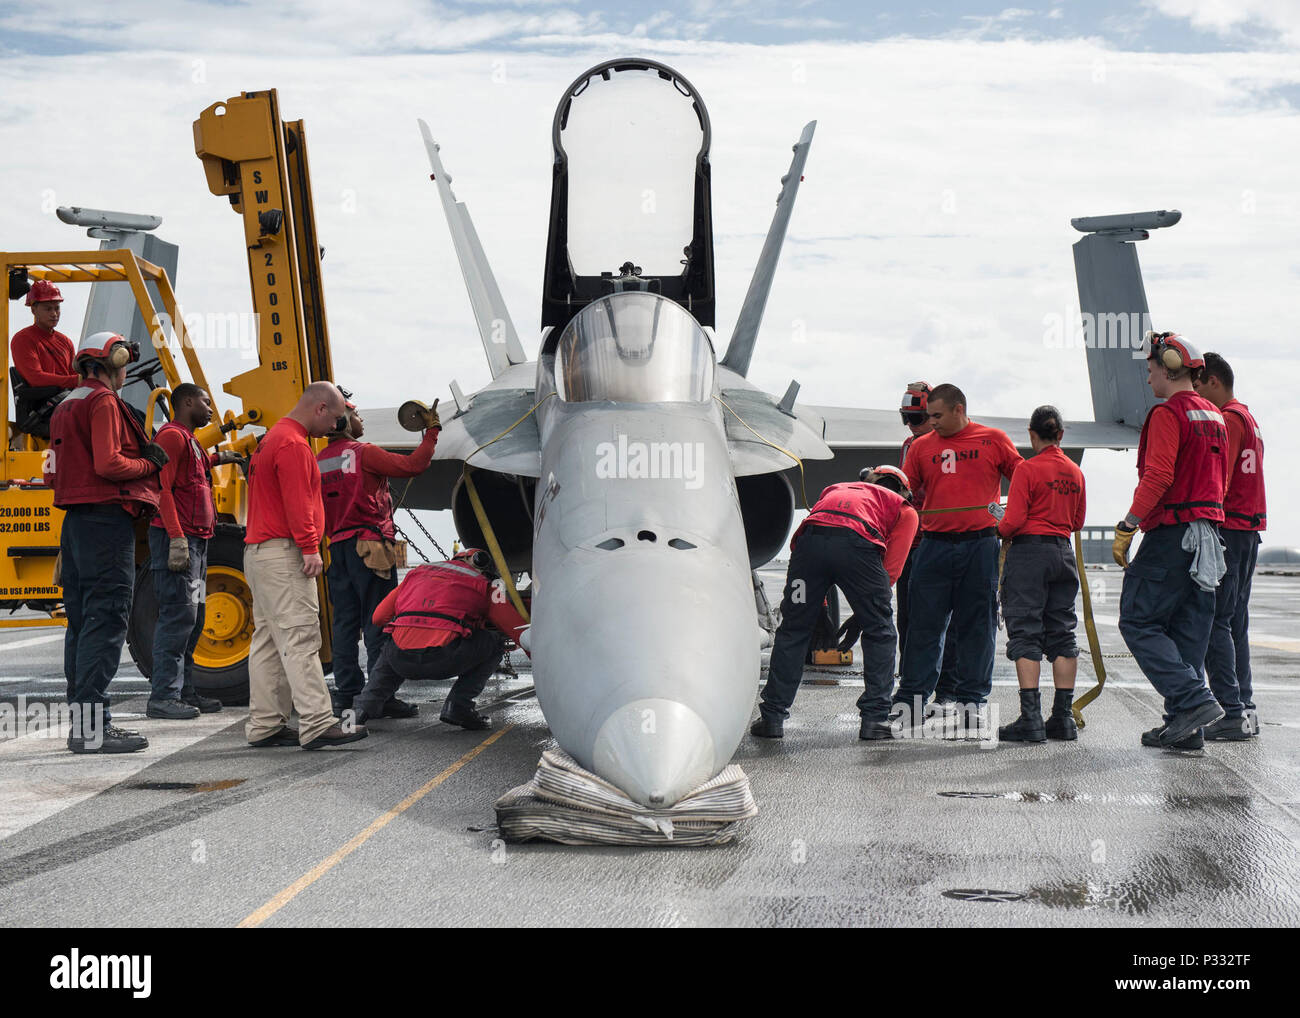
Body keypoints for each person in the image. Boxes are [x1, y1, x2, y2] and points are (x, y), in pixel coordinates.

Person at [46, 332, 167, 754]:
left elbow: (52, 472)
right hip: (105, 523)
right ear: (112, 360)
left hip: (77, 524)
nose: (126, 371)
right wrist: (148, 463)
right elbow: (110, 463)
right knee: (108, 618)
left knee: (82, 624)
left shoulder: (66, 404)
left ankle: (84, 725)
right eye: (123, 362)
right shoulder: (102, 401)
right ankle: (93, 729)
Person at [1113, 332, 1229, 750]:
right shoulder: (1215, 416)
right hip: (1209, 536)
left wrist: (1128, 525)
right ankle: (1186, 727)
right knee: (1188, 632)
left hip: (1172, 534)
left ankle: (1194, 701)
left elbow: (1158, 475)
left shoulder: (1167, 413)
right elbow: (1223, 480)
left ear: (1170, 366)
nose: (1148, 379)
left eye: (1150, 369)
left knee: (1138, 621)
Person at [244, 381, 367, 751]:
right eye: (334, 419)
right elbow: (297, 501)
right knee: (301, 636)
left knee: (268, 641)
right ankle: (317, 722)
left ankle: (265, 724)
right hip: (284, 553)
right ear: (320, 408)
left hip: (259, 552)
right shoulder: (295, 445)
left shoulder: (272, 438)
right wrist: (310, 548)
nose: (334, 427)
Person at [751, 469, 918, 741]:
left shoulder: (836, 487)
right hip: (858, 546)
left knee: (793, 630)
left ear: (868, 480)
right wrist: (865, 616)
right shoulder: (904, 509)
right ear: (904, 491)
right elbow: (890, 571)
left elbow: (812, 536)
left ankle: (772, 717)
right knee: (880, 633)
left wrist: (819, 606)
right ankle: (874, 719)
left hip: (809, 545)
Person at [895, 383, 1022, 737]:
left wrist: (1014, 521)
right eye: (928, 416)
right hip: (933, 546)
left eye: (937, 415)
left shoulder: (993, 439)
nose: (931, 422)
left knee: (977, 628)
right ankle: (912, 704)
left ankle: (972, 705)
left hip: (979, 546)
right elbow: (905, 492)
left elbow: (1023, 477)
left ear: (958, 409)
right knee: (923, 627)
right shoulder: (921, 447)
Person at [318, 395, 440, 716]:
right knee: (379, 621)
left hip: (337, 549)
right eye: (357, 415)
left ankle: (347, 693)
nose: (362, 421)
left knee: (345, 624)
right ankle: (380, 696)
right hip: (371, 546)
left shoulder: (318, 461)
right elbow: (414, 466)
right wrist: (432, 431)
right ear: (342, 421)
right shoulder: (364, 453)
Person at [146, 383, 242, 719]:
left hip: (197, 545)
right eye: (205, 401)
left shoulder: (190, 440)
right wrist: (176, 538)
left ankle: (185, 692)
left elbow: (193, 473)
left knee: (194, 618)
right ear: (187, 402)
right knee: (177, 617)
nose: (211, 409)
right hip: (180, 543)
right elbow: (163, 489)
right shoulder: (172, 436)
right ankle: (163, 697)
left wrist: (218, 458)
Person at [352, 549, 528, 730]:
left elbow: (378, 618)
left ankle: (360, 711)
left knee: (394, 642)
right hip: (445, 659)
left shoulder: (416, 574)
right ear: (482, 567)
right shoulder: (486, 585)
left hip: (400, 661)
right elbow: (517, 630)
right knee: (495, 643)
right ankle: (459, 707)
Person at [996, 406, 1087, 742]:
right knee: (1063, 633)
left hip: (1029, 555)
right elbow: (1077, 522)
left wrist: (998, 527)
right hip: (1062, 553)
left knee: (1025, 632)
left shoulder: (1027, 469)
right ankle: (1062, 718)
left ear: (1032, 434)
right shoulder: (1075, 472)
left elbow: (1014, 521)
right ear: (1060, 435)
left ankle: (1031, 720)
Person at [1193, 352, 1264, 740]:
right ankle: (1244, 707)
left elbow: (1219, 477)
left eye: (1198, 385)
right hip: (1248, 529)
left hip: (1230, 528)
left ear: (1213, 382)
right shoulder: (1248, 417)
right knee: (1236, 621)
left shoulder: (1228, 420)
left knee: (1215, 620)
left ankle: (1229, 709)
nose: (1196, 395)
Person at [895, 380, 958, 700]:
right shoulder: (911, 446)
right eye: (906, 418)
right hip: (914, 543)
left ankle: (947, 689)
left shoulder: (951, 444)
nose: (911, 425)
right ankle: (911, 685)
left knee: (946, 620)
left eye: (916, 418)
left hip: (944, 541)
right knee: (908, 618)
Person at [11, 280, 78, 438]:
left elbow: (73, 374)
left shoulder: (65, 341)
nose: (54, 314)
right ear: (33, 309)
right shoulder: (24, 339)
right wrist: (76, 380)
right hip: (43, 409)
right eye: (48, 309)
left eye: (57, 308)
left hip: (66, 402)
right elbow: (35, 378)